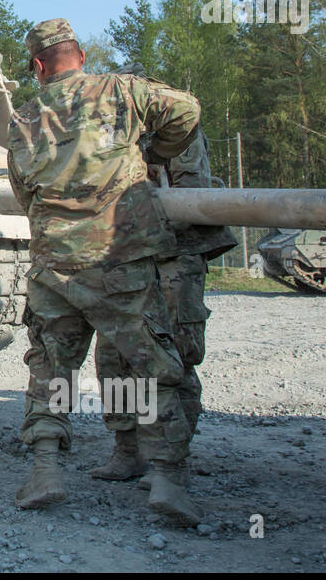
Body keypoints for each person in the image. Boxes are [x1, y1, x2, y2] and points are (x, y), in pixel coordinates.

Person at [7, 18, 205, 526]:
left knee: (51, 368)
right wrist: (153, 154)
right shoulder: (120, 91)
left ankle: (46, 471)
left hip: (54, 265)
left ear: (37, 65)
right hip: (121, 261)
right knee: (152, 363)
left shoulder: (24, 118)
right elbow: (187, 110)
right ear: (81, 55)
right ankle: (166, 477)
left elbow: (25, 194)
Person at [89, 77, 237, 486]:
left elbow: (187, 198)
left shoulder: (179, 133)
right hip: (126, 256)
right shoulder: (111, 137)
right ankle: (126, 449)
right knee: (114, 354)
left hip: (175, 253)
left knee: (173, 355)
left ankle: (171, 458)